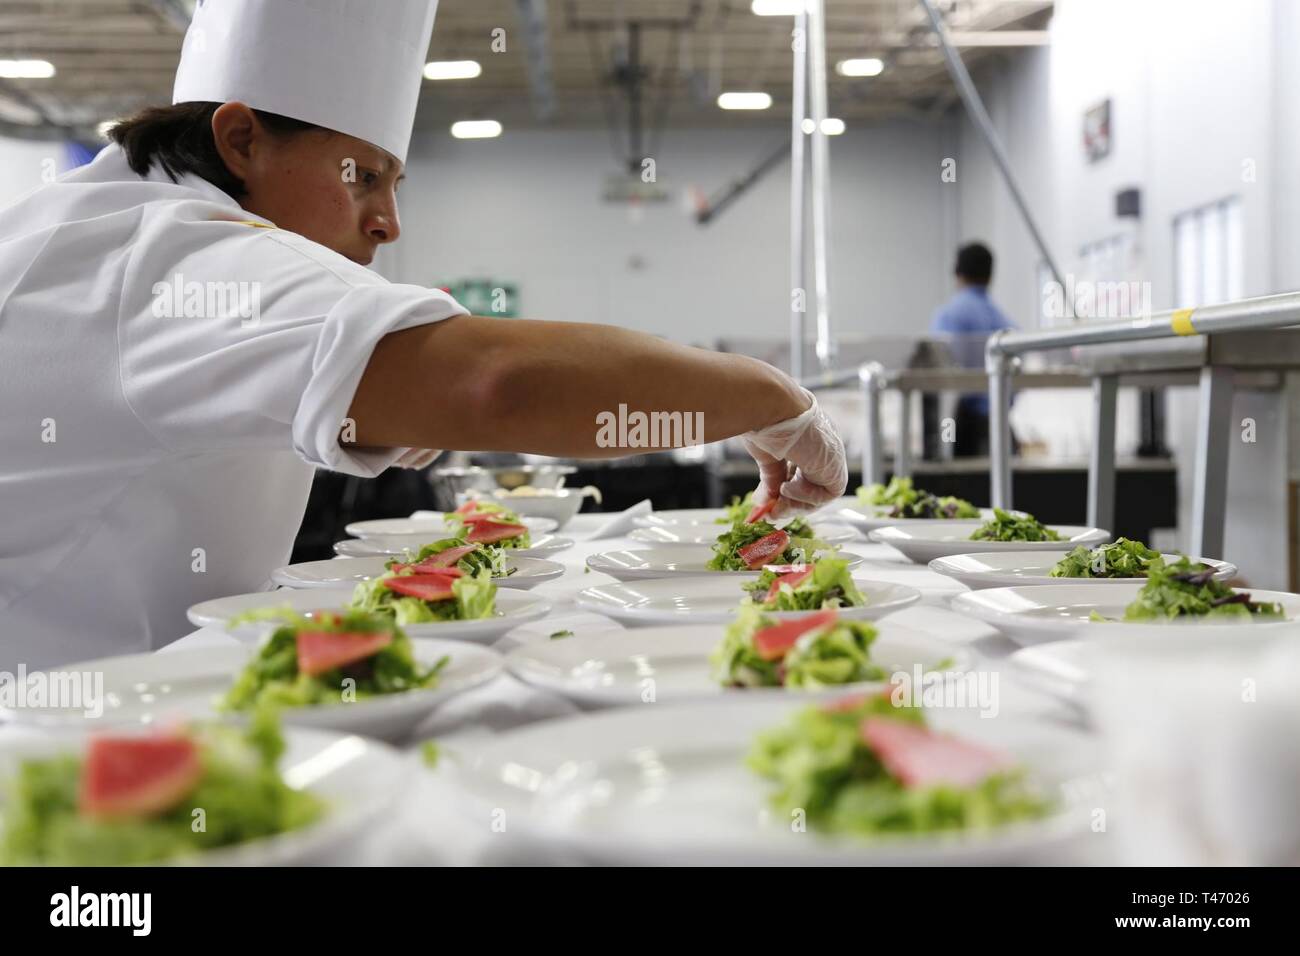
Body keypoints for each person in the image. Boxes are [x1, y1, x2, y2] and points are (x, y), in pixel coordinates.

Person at [0, 0, 846, 669]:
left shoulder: (89, 223)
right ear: (241, 139)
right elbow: (500, 385)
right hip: (46, 756)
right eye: (363, 176)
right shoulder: (173, 256)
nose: (389, 222)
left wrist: (387, 399)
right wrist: (774, 401)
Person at [929, 241, 1014, 457]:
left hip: (962, 427)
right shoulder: (1005, 322)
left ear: (958, 274)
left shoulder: (948, 316)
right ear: (990, 276)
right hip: (1002, 424)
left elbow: (934, 374)